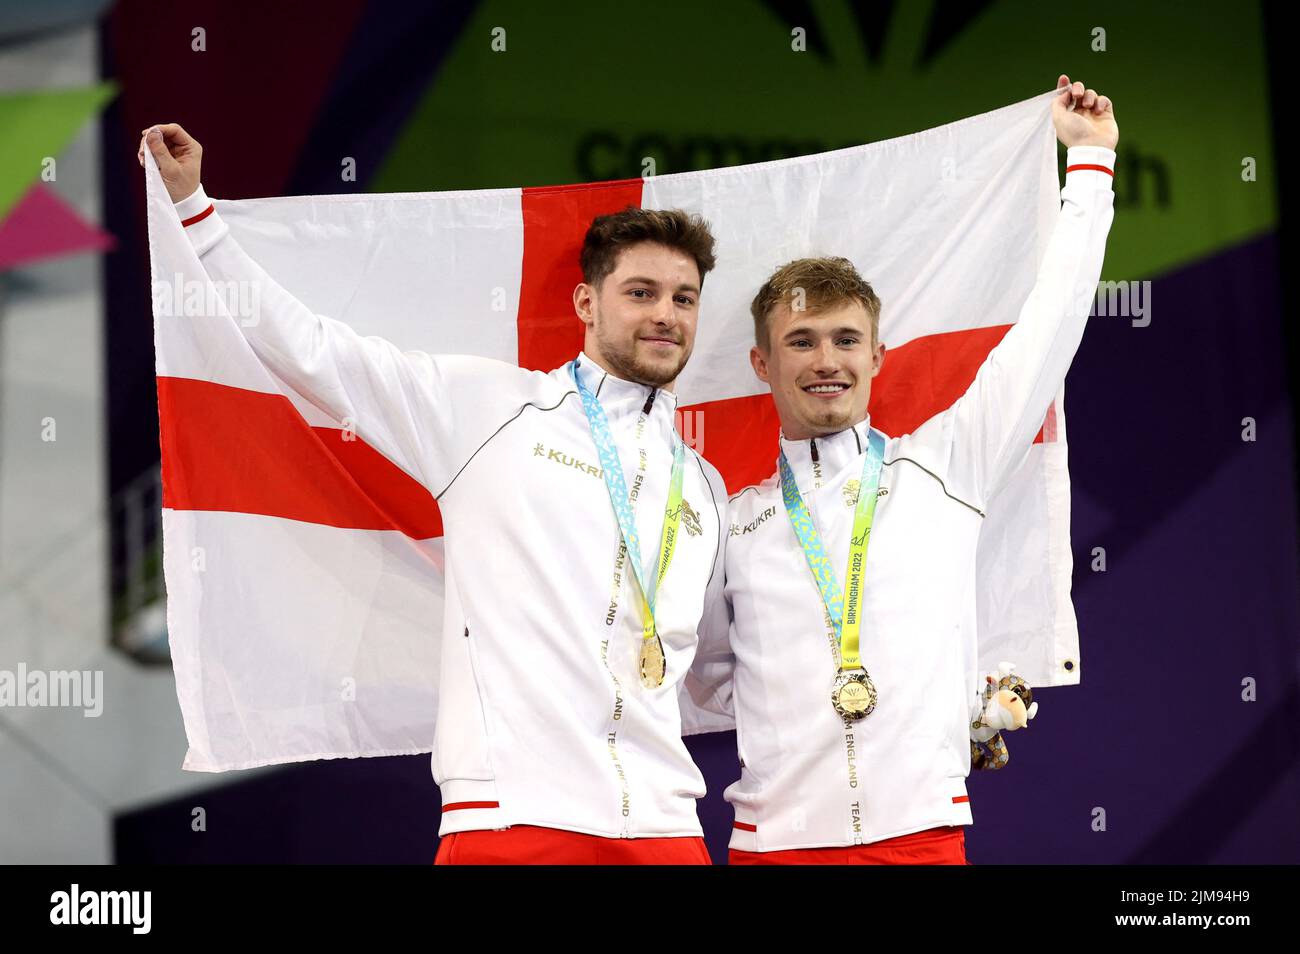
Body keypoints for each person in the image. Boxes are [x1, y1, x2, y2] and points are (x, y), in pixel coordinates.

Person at [138, 124, 729, 865]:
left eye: (684, 298)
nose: (664, 315)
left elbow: (709, 667)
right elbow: (313, 351)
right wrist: (196, 211)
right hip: (513, 817)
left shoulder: (702, 485)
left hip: (665, 828)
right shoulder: (485, 409)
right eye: (639, 292)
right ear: (585, 301)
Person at [708, 74, 1118, 864]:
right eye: (801, 342)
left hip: (920, 840)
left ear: (877, 354)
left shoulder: (946, 466)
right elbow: (710, 676)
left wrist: (1091, 168)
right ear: (761, 361)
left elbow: (1049, 328)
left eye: (844, 339)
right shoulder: (733, 521)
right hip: (773, 845)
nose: (825, 361)